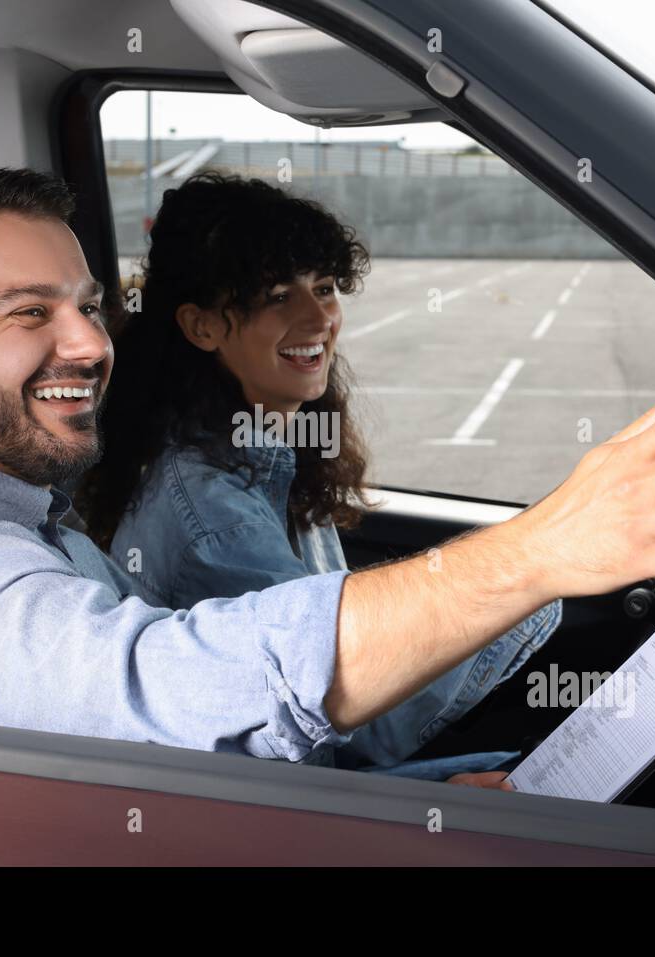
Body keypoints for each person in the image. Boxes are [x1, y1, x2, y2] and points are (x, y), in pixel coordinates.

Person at [0, 163, 655, 790]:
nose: (90, 345)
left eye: (88, 307)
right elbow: (182, 697)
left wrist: (435, 795)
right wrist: (534, 558)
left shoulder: (19, 523)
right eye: (26, 314)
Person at [74, 173, 560, 783]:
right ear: (203, 326)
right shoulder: (213, 511)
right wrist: (528, 570)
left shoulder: (261, 449)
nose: (317, 318)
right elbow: (349, 723)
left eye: (325, 288)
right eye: (275, 295)